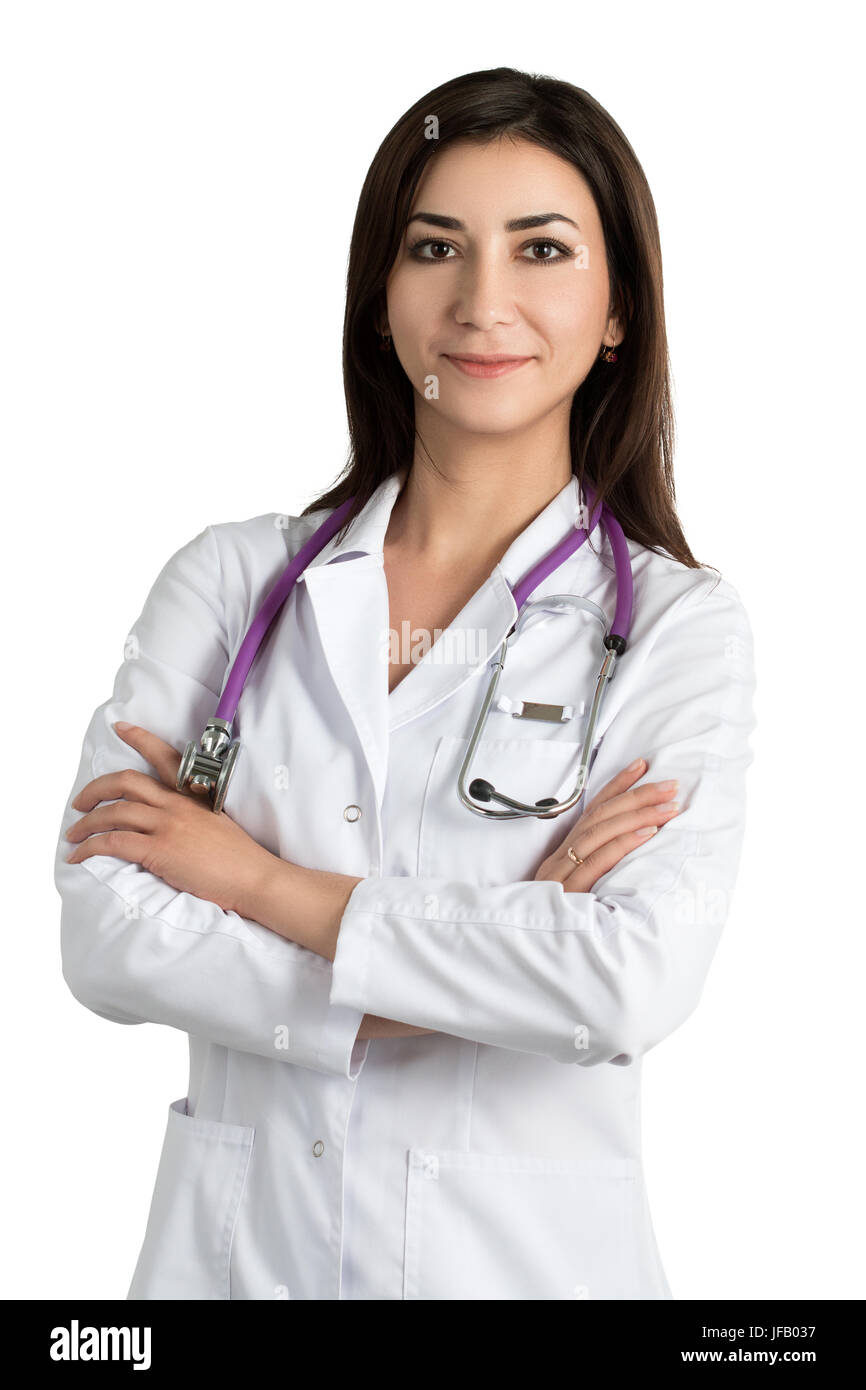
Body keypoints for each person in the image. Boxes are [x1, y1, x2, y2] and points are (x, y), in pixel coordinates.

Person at [54, 66, 756, 1301]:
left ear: (616, 312)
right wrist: (456, 978)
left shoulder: (676, 628)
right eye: (436, 247)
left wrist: (252, 882)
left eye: (541, 249)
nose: (483, 301)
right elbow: (107, 935)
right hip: (236, 1269)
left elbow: (623, 979)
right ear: (380, 298)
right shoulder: (231, 584)